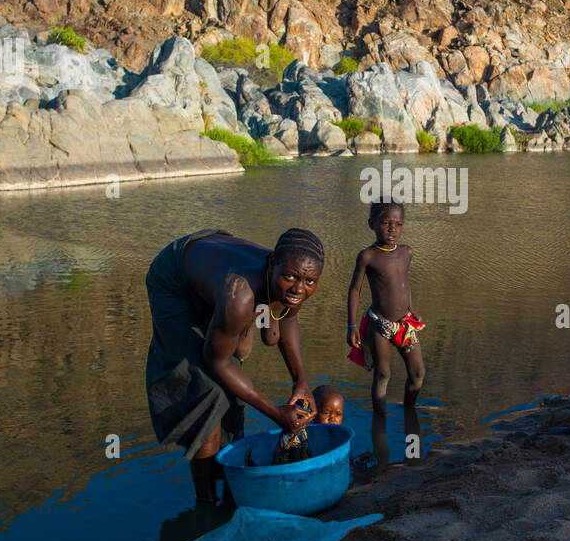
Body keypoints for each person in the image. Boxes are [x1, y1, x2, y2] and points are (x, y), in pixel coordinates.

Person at [145, 228, 324, 502]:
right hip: (175, 278)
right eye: (291, 278)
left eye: (310, 281)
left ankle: (230, 477)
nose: (300, 288)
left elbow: (287, 317)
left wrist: (301, 382)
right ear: (273, 262)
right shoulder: (240, 295)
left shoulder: (293, 277)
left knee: (237, 367)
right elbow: (216, 362)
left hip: (213, 259)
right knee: (209, 394)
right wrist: (276, 413)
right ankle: (205, 501)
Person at [346, 201, 425, 415]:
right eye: (386, 223)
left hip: (405, 324)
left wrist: (411, 308)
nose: (392, 229)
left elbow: (403, 284)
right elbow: (355, 290)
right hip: (380, 324)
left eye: (398, 224)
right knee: (383, 374)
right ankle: (379, 422)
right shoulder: (368, 256)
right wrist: (352, 325)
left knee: (418, 373)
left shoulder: (406, 252)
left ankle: (410, 411)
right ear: (372, 224)